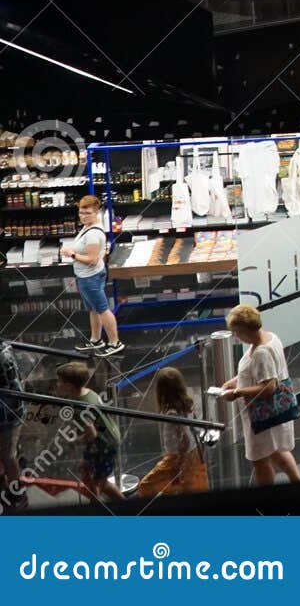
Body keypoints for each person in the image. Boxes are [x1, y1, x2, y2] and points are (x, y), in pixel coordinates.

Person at [217, 304, 300, 487]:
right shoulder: (270, 337)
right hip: (273, 413)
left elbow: (268, 387)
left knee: (260, 458)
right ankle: (298, 484)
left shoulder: (261, 352)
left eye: (236, 332)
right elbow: (254, 373)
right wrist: (234, 382)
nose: (236, 337)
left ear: (244, 331)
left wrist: (237, 392)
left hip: (262, 415)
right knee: (275, 451)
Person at [62, 196, 123, 358]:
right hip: (86, 276)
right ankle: (96, 339)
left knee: (102, 309)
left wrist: (72, 254)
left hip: (91, 277)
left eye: (87, 213)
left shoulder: (92, 234)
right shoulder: (87, 227)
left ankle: (115, 342)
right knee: (93, 309)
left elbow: (92, 259)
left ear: (96, 213)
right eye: (81, 213)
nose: (83, 216)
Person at [135, 367, 209, 498]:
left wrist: (179, 464)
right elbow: (195, 430)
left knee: (146, 486)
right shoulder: (187, 406)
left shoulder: (172, 413)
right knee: (190, 488)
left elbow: (184, 439)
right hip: (193, 454)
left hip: (177, 458)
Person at [55, 361, 120, 501]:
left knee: (101, 483)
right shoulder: (89, 392)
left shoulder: (80, 405)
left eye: (59, 381)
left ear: (69, 386)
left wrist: (75, 441)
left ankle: (127, 509)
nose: (57, 384)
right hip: (107, 438)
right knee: (86, 471)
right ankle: (94, 501)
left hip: (104, 445)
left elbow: (91, 434)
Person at [0, 340, 24, 512]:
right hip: (11, 412)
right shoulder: (4, 345)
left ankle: (16, 494)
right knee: (8, 455)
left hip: (6, 416)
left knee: (8, 456)